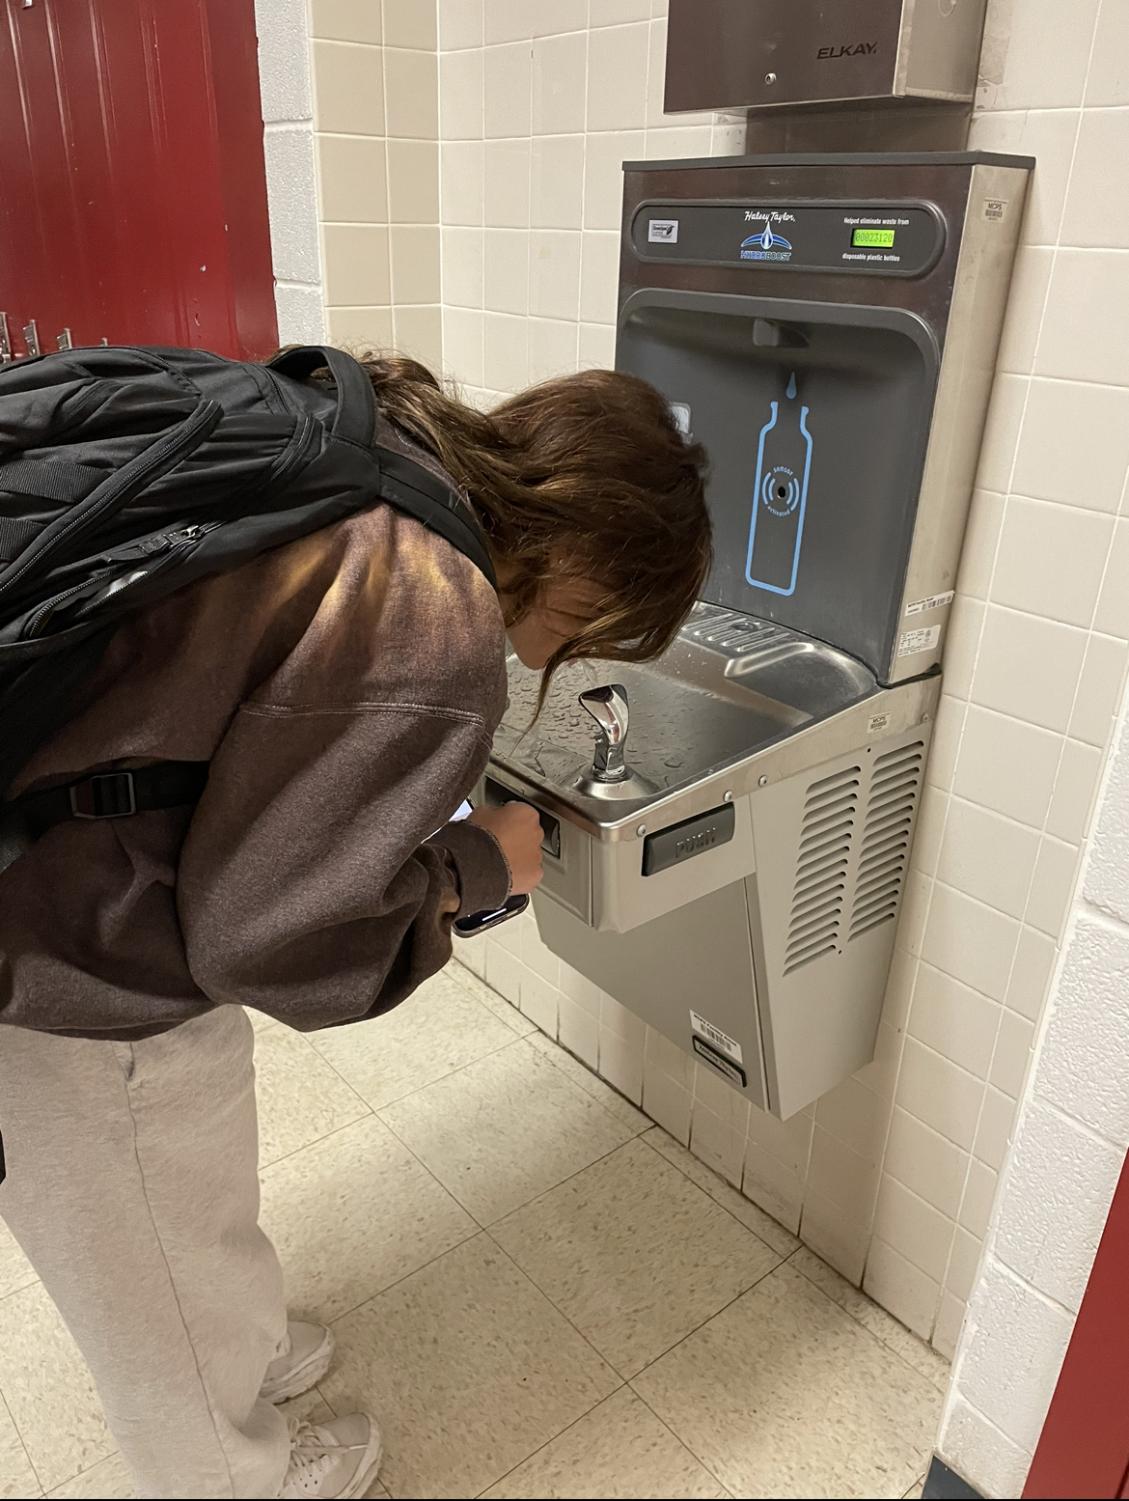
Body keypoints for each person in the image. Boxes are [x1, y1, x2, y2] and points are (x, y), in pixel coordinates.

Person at [0, 354, 710, 1500]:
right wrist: (482, 866)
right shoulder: (436, 609)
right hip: (68, 963)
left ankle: (241, 1344)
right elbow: (275, 940)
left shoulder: (380, 438)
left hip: (83, 878)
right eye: (605, 628)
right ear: (595, 572)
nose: (569, 654)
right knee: (144, 1232)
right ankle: (230, 1472)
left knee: (193, 1166)